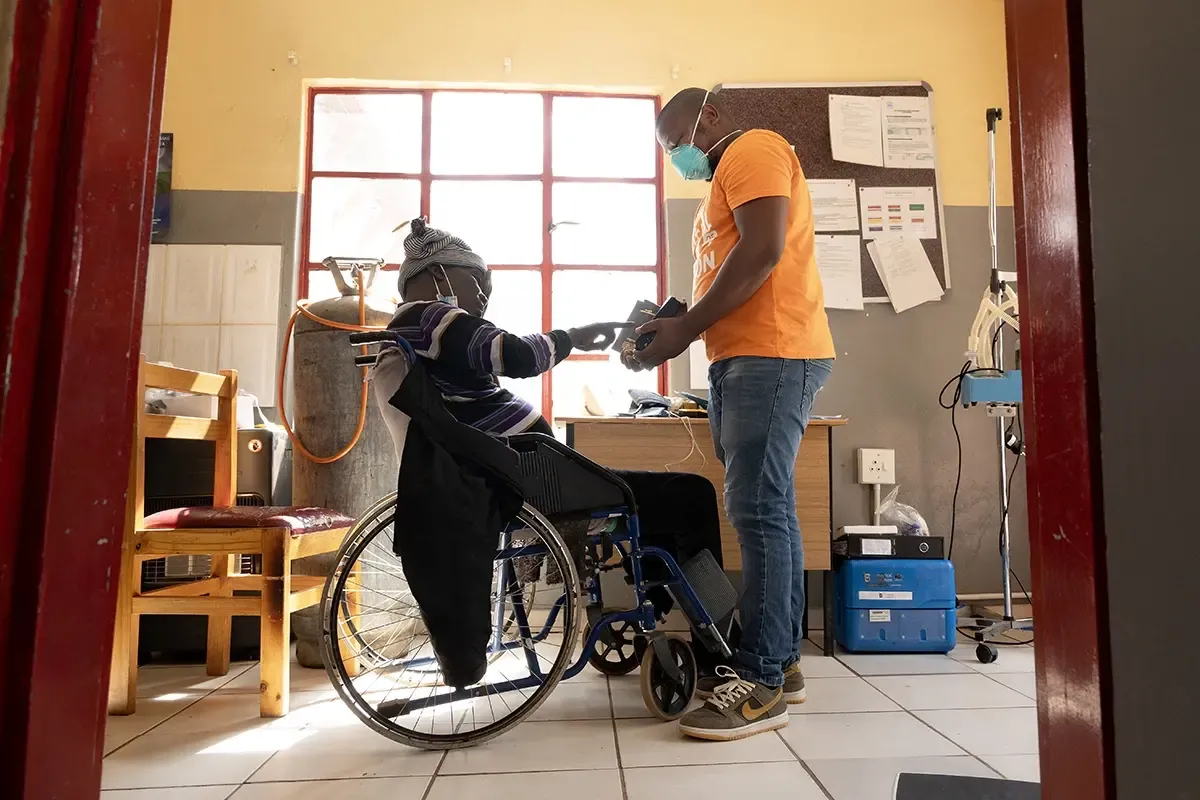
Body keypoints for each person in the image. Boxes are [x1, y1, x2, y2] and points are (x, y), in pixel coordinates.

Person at [386, 218, 735, 671]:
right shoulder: (428, 316)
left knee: (659, 508)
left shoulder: (416, 332)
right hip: (531, 481)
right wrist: (574, 337)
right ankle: (719, 650)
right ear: (438, 276)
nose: (484, 300)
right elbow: (513, 355)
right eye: (478, 284)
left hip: (516, 476)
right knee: (690, 494)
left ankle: (678, 614)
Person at [625, 88, 835, 741]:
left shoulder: (752, 149)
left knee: (759, 511)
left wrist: (685, 329)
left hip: (771, 355)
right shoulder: (724, 180)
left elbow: (763, 251)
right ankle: (782, 665)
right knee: (764, 509)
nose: (678, 159)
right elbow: (729, 270)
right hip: (745, 357)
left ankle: (761, 680)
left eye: (677, 143)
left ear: (709, 117)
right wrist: (670, 322)